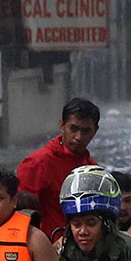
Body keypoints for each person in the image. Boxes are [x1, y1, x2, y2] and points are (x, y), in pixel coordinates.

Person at [17, 98, 100, 242]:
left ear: (95, 131)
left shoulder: (92, 168)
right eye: (73, 129)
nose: (79, 137)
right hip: (48, 247)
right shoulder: (37, 163)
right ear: (62, 125)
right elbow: (20, 215)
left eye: (86, 131)